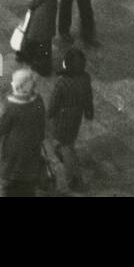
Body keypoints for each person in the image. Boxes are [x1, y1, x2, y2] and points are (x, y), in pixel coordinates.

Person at [0, 67, 47, 198]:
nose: (12, 84)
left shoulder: (12, 106)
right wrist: (40, 136)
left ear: (18, 86)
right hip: (33, 143)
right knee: (29, 169)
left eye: (13, 82)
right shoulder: (38, 100)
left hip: (15, 145)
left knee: (12, 168)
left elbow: (2, 125)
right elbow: (41, 121)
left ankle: (11, 190)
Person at [47, 48, 94, 194]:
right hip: (76, 117)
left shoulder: (62, 83)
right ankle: (65, 153)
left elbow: (54, 103)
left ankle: (72, 178)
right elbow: (88, 96)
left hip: (63, 119)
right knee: (69, 141)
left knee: (66, 146)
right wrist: (88, 110)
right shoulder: (85, 78)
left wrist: (48, 115)